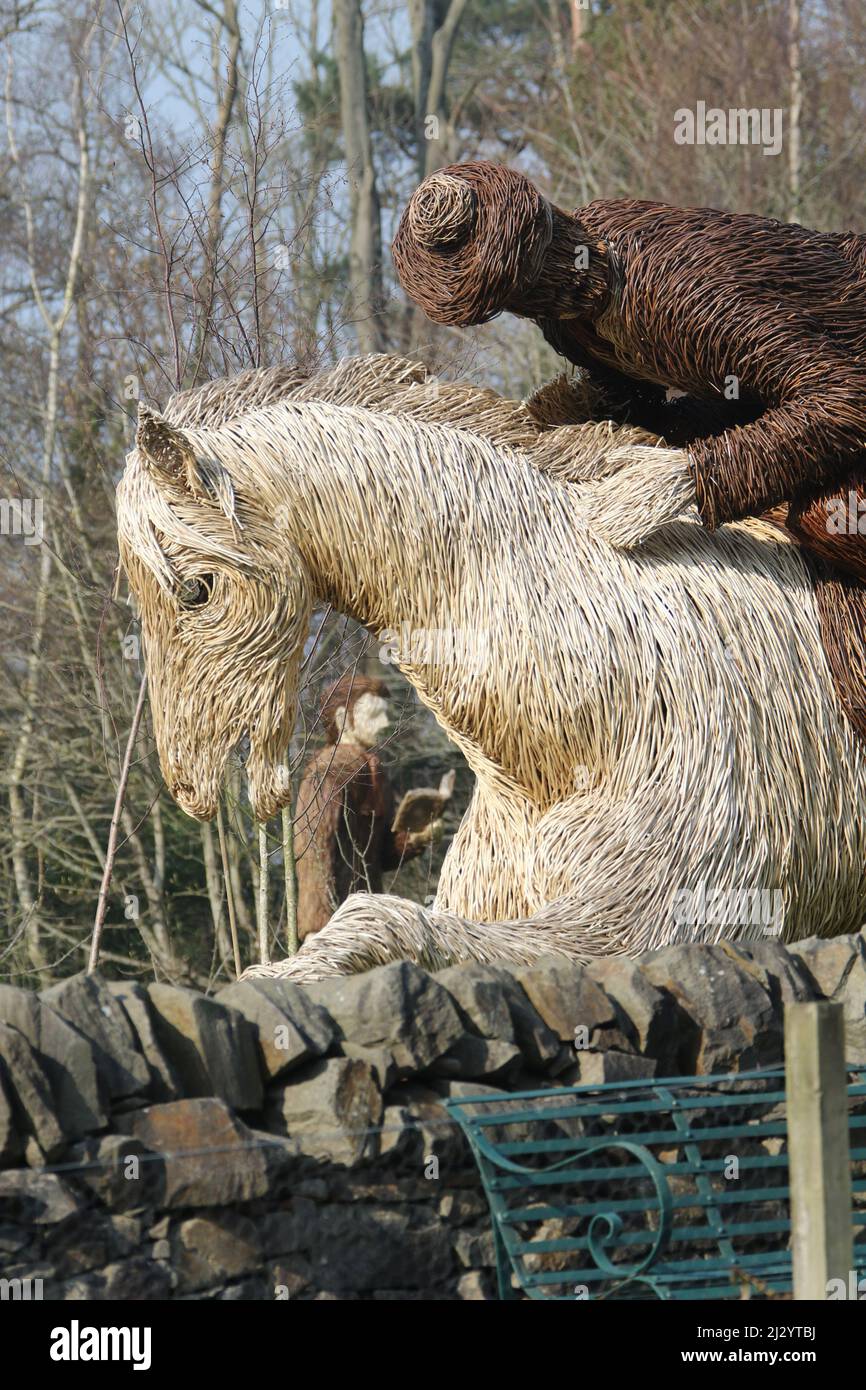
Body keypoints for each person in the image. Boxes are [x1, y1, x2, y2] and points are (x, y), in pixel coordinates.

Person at [392, 161, 866, 577]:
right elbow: (658, 403)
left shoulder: (676, 293)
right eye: (513, 300)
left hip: (849, 359)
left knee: (833, 521)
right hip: (776, 395)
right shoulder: (567, 325)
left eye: (532, 277)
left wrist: (695, 477)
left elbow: (843, 401)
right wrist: (591, 416)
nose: (539, 302)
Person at [294, 674, 450, 939]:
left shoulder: (372, 770)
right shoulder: (329, 772)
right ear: (344, 719)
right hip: (334, 927)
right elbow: (312, 852)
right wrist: (317, 927)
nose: (386, 724)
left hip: (368, 920)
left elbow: (379, 856)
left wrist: (415, 838)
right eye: (375, 714)